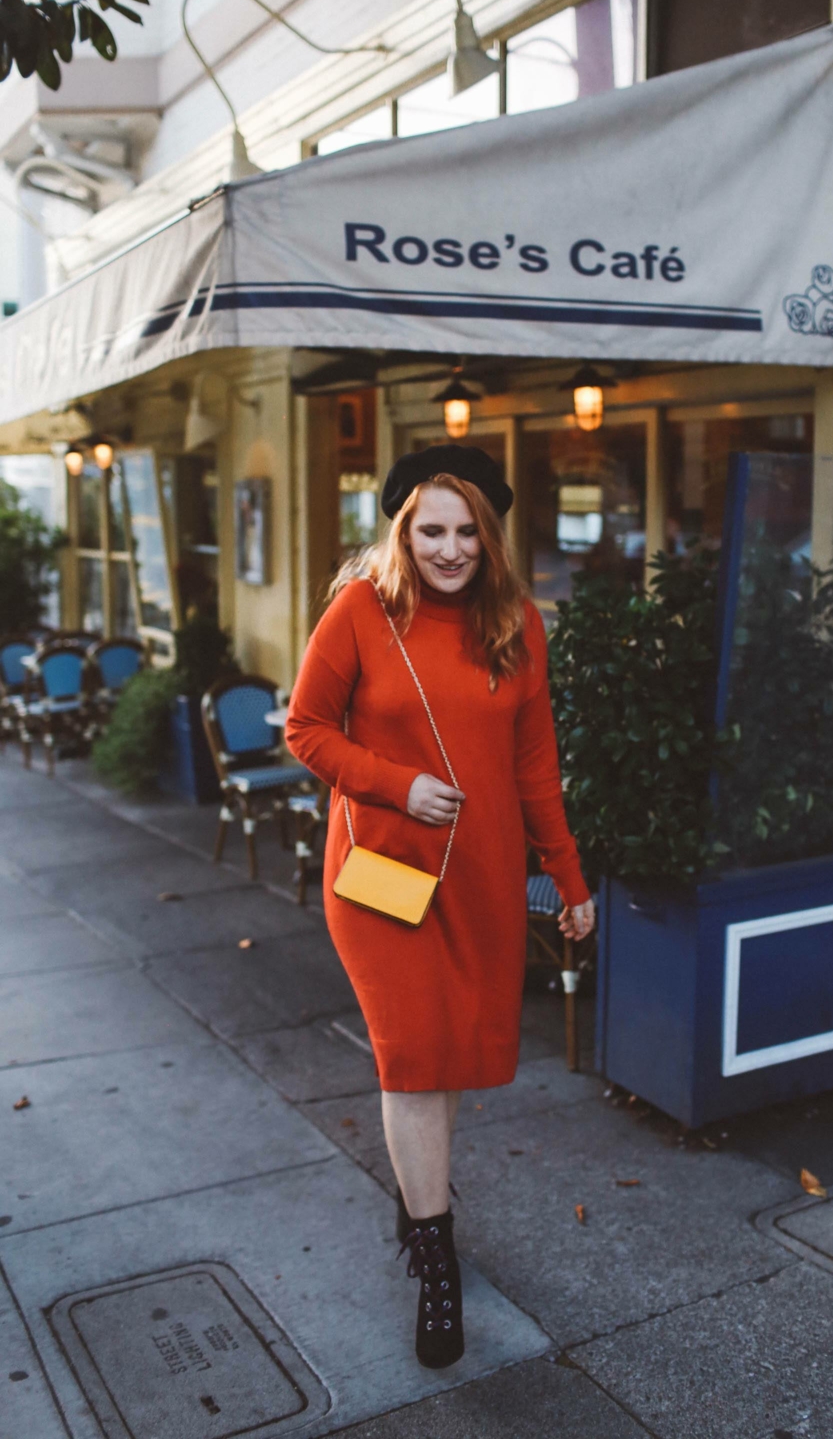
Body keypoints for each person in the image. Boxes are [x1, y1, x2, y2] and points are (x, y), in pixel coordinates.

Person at [285, 443, 595, 1370]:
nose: (449, 550)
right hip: (382, 876)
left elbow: (536, 766)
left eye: (467, 532)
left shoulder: (517, 622)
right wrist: (394, 785)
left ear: (489, 537)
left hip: (482, 875)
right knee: (415, 1059)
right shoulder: (360, 609)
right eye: (432, 531)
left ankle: (417, 1200)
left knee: (450, 1054)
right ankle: (439, 1258)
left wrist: (569, 880)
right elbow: (305, 729)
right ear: (402, 530)